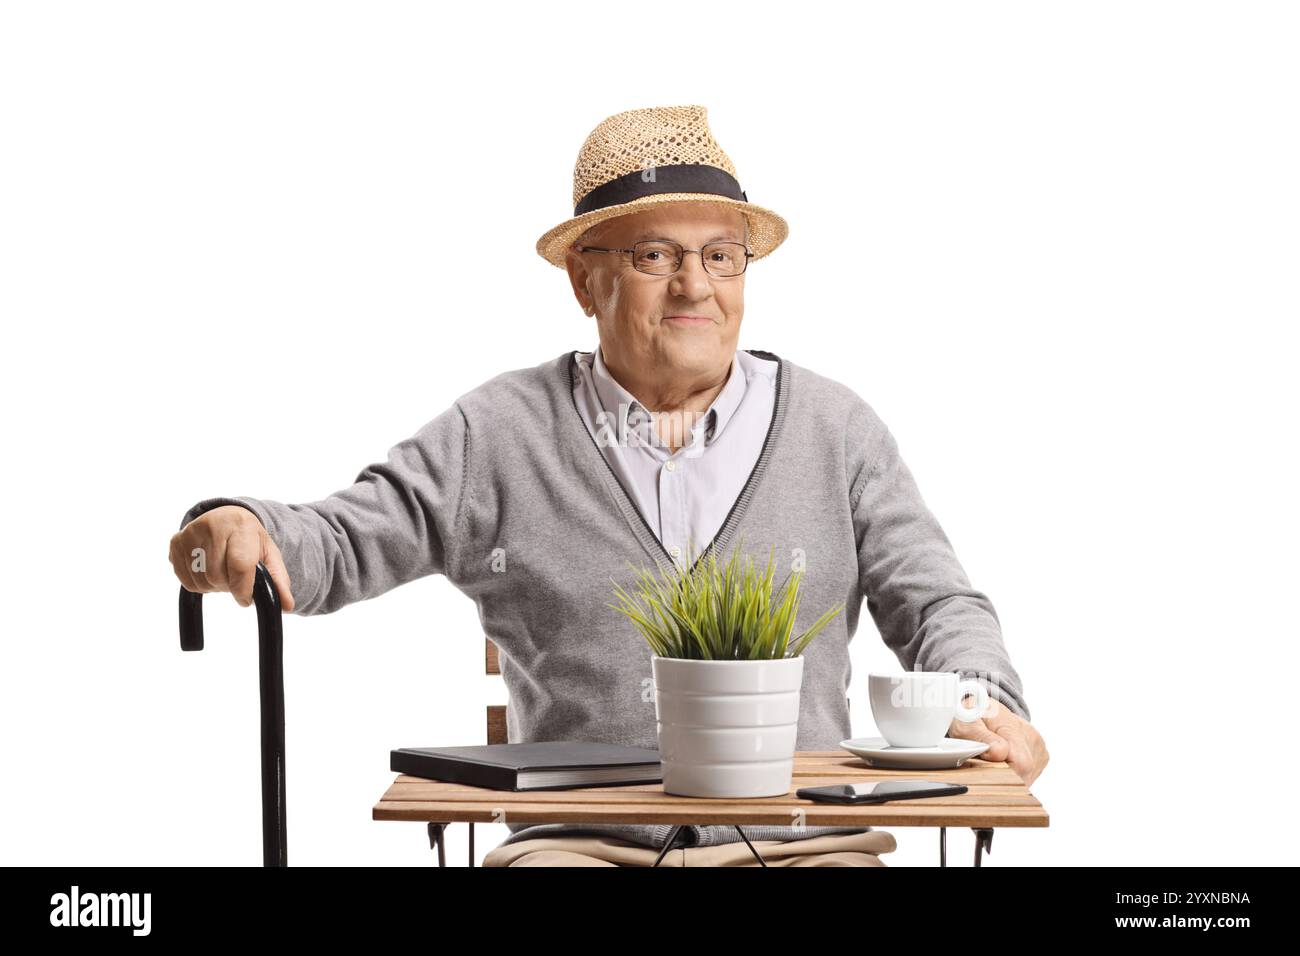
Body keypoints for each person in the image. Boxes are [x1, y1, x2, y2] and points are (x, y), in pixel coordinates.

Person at [169, 104, 1048, 867]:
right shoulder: (498, 433)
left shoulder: (836, 428)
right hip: (576, 845)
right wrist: (250, 526)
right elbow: (349, 537)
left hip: (804, 840)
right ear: (585, 280)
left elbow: (937, 605)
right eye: (656, 254)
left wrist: (982, 700)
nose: (695, 286)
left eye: (722, 255)